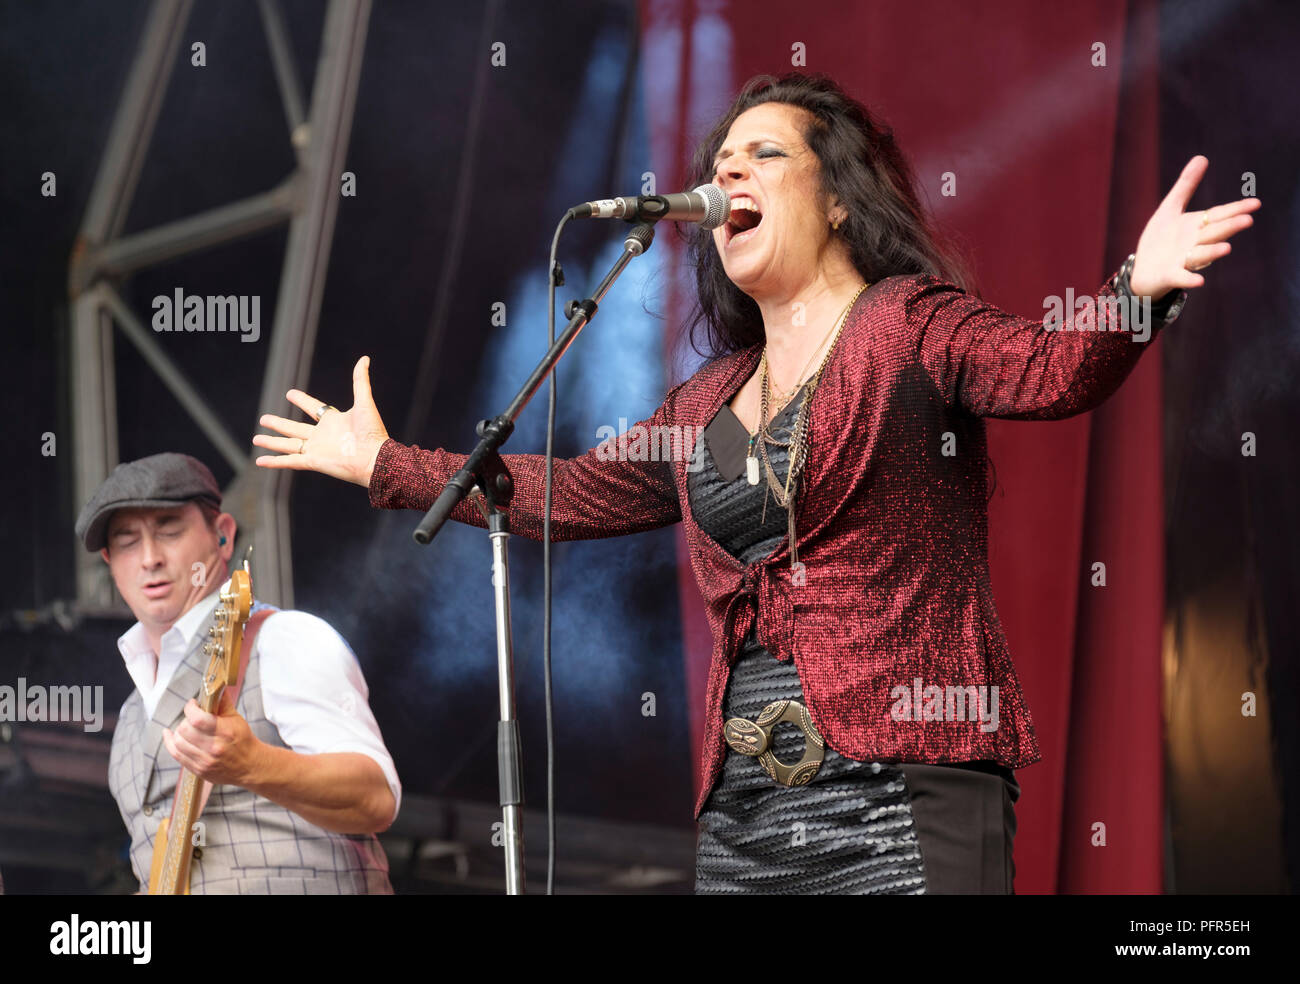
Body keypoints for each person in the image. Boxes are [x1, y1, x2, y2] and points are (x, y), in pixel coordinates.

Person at [252, 73, 1258, 894]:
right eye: (716, 164)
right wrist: (385, 465)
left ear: (835, 196)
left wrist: (1137, 289)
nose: (726, 173)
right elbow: (573, 491)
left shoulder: (907, 324)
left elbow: (1049, 369)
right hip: (747, 810)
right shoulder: (706, 402)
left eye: (762, 156)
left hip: (900, 783)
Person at [75, 452, 398, 894]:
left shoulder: (283, 639)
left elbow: (376, 797)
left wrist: (253, 764)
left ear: (223, 536)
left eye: (169, 530)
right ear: (110, 562)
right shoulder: (130, 718)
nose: (149, 557)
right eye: (128, 542)